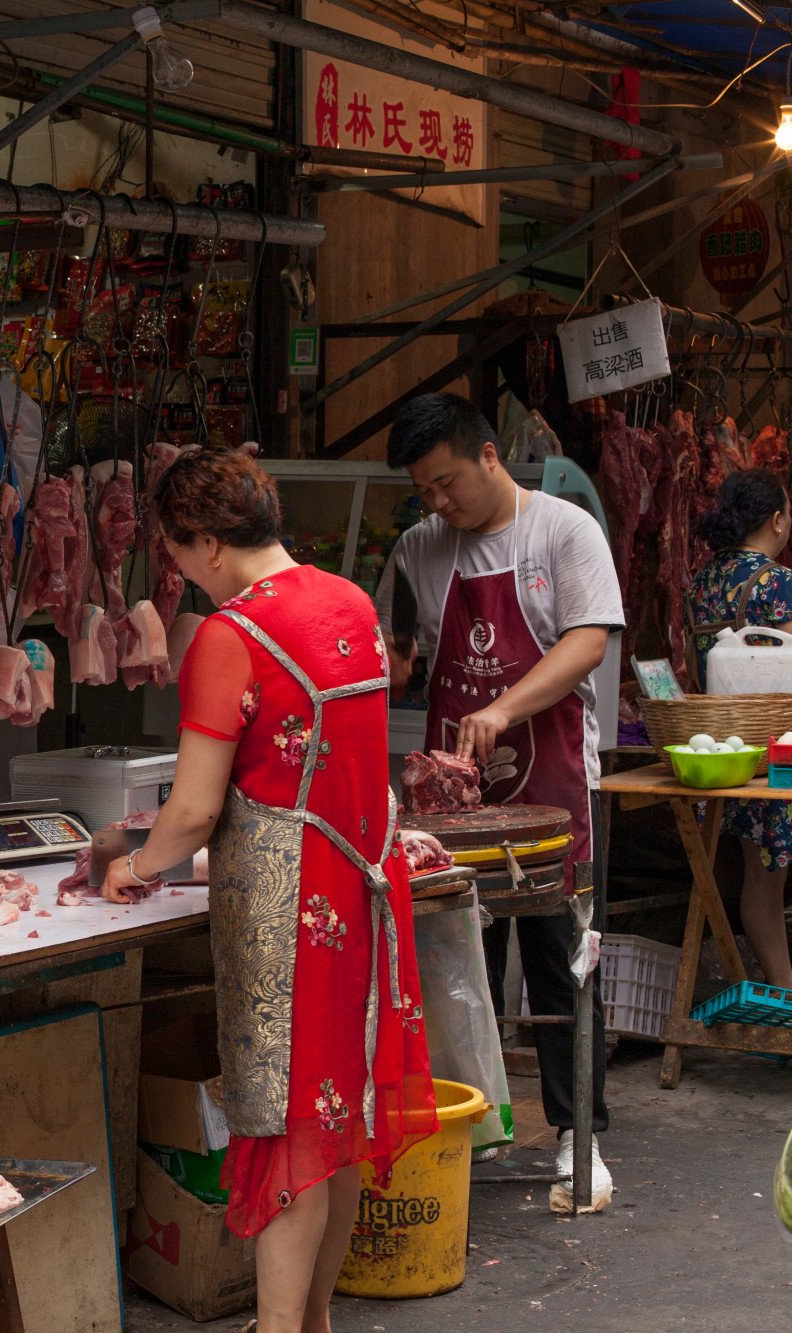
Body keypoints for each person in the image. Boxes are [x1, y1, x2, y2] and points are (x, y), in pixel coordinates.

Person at [105, 447, 437, 1333]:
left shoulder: (231, 636)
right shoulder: (350, 601)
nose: (179, 575)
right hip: (362, 895)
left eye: (177, 555)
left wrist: (131, 865)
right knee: (334, 1133)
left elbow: (192, 810)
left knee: (291, 1141)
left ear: (209, 544)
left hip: (288, 919)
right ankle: (313, 1319)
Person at [377, 391, 622, 1211]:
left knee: (556, 962)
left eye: (448, 482)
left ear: (488, 455)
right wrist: (394, 657)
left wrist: (504, 706)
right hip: (454, 796)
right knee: (455, 966)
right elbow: (396, 641)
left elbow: (589, 638)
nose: (439, 502)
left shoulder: (561, 529)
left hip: (549, 785)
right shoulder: (418, 547)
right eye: (425, 490)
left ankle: (576, 1140)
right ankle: (468, 1127)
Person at [687, 468, 792, 989]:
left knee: (762, 883)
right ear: (776, 519)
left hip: (727, 748)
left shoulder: (702, 580)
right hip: (779, 750)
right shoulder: (776, 581)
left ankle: (782, 991)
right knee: (768, 885)